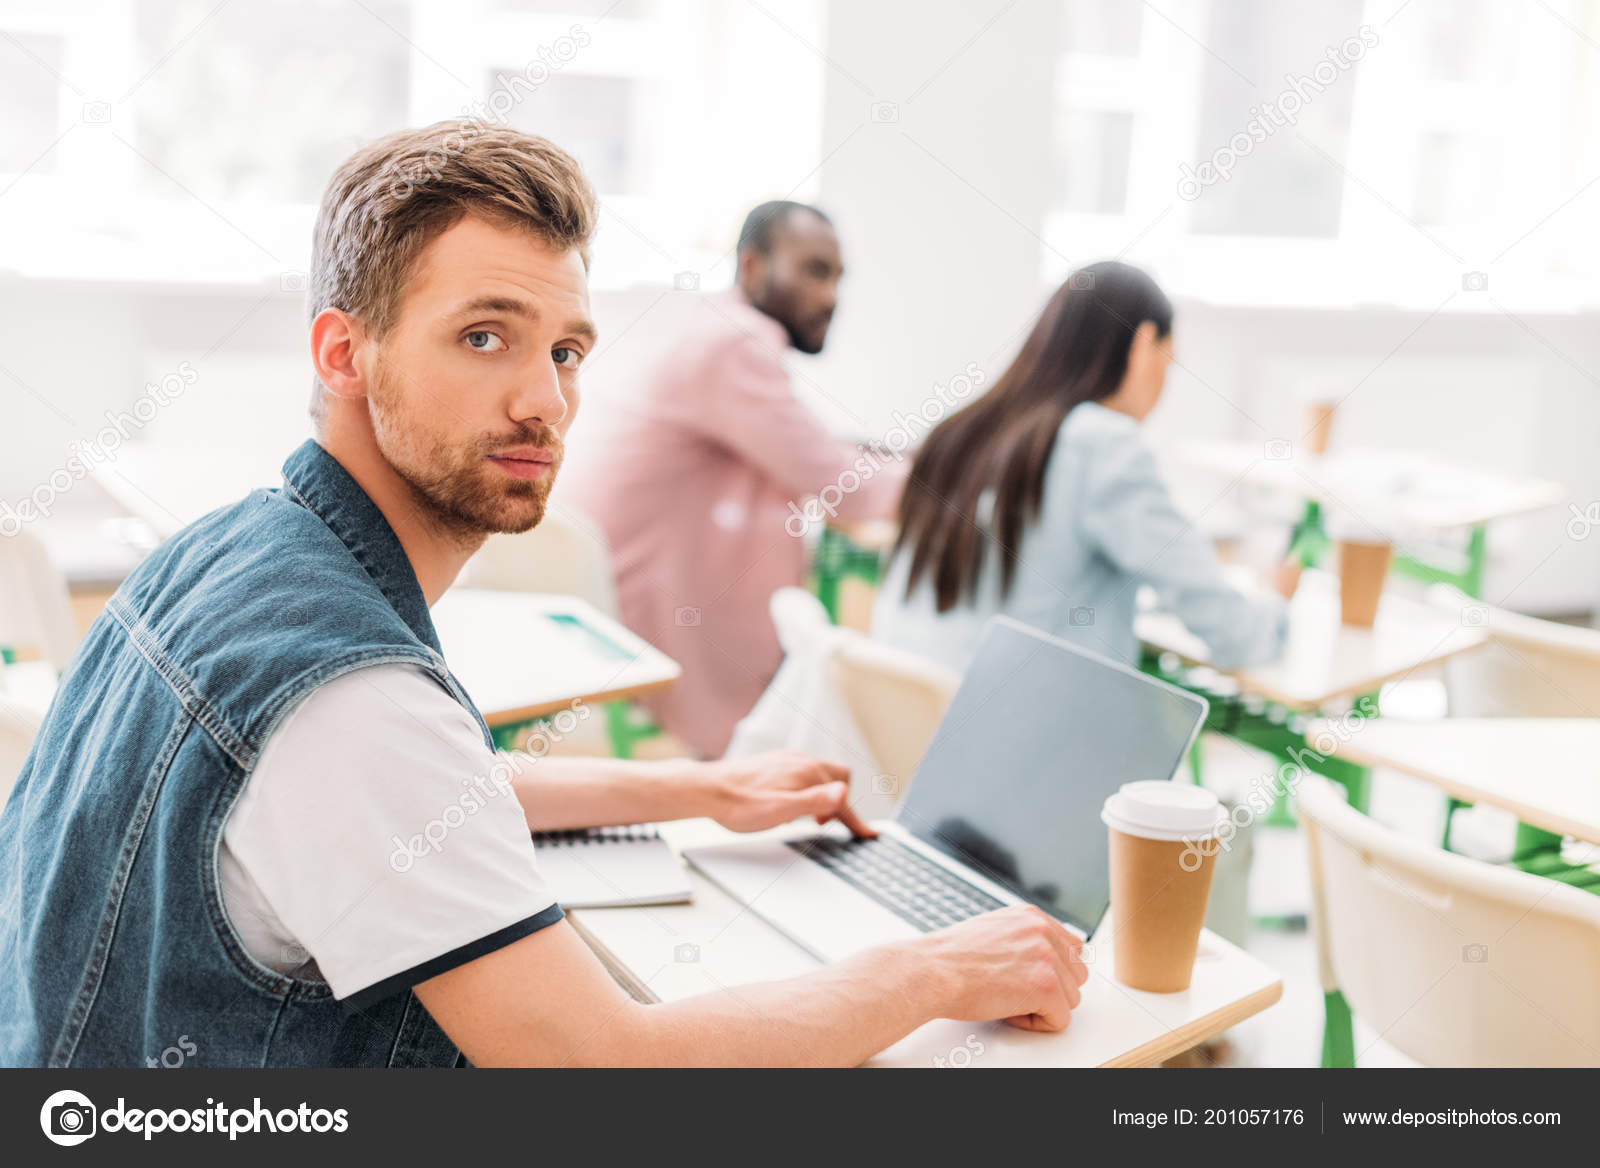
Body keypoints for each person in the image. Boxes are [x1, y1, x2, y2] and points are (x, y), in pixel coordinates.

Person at [0, 124, 1083, 1068]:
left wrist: (701, 788)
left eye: (566, 351)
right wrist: (935, 970)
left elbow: (425, 792)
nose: (545, 400)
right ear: (343, 351)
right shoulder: (355, 697)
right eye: (484, 337)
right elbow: (603, 1068)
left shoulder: (229, 547)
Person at [560, 201, 905, 759]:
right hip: (650, 605)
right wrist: (953, 473)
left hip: (607, 586)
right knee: (814, 661)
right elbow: (848, 487)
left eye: (838, 277)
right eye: (814, 271)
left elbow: (804, 447)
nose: (830, 297)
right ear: (751, 267)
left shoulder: (708, 323)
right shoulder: (736, 343)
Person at [873, 260, 1292, 675]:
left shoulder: (958, 432)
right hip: (1020, 730)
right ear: (1145, 345)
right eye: (1170, 362)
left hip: (912, 718)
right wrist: (1277, 608)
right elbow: (1223, 622)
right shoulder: (1101, 442)